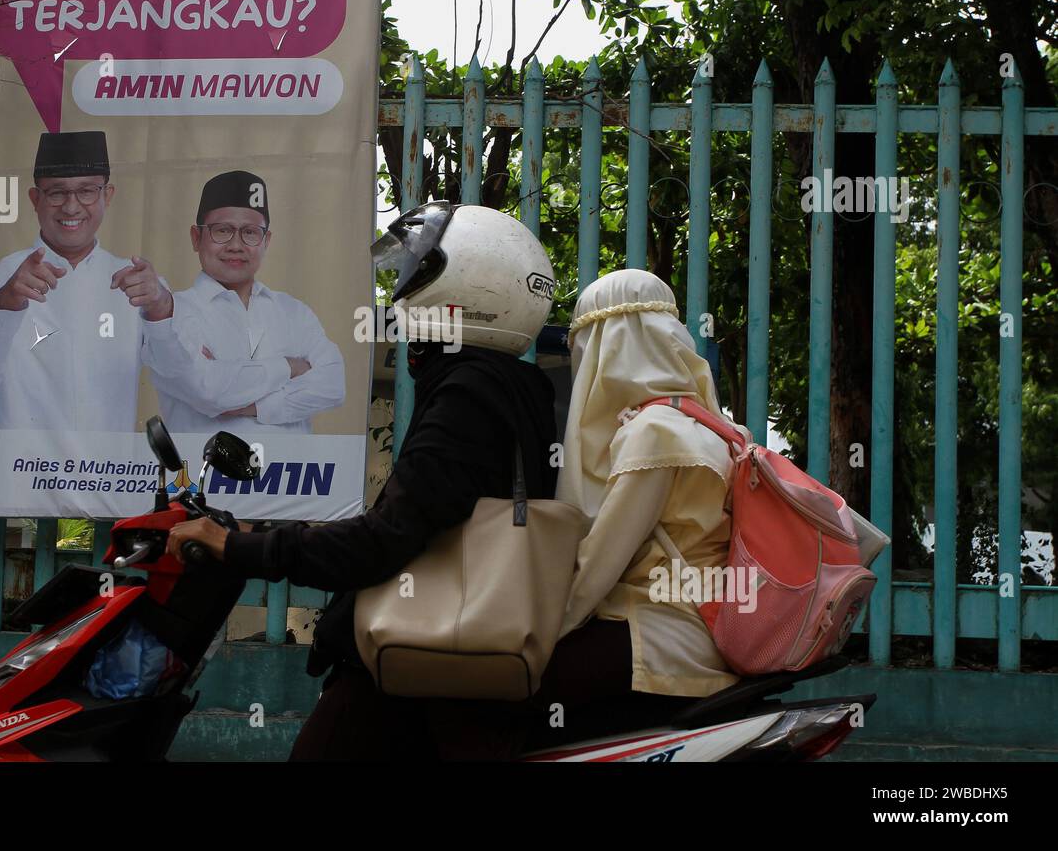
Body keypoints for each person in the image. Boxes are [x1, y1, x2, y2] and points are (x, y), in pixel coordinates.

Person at [165, 202, 562, 759]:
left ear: (464, 284)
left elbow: (384, 542)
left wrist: (233, 545)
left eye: (416, 272)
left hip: (419, 659)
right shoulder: (519, 389)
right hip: (463, 655)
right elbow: (424, 517)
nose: (400, 288)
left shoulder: (469, 395)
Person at [555, 268, 740, 705]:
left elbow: (598, 566)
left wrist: (541, 629)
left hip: (659, 637)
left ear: (610, 345)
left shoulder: (653, 432)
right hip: (703, 628)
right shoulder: (710, 424)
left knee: (509, 688)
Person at [0, 131, 170, 430]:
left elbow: (185, 382)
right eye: (57, 193)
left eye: (87, 191)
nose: (72, 207)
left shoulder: (141, 286)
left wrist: (163, 309)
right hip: (13, 473)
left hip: (102, 474)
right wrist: (6, 304)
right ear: (35, 199)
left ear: (108, 195)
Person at [140, 170, 345, 435]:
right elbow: (208, 391)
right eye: (222, 230)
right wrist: (289, 367)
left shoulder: (294, 312)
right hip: (204, 475)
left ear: (266, 241)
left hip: (289, 475)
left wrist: (250, 404)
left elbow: (333, 385)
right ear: (196, 237)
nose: (236, 245)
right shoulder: (170, 314)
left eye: (250, 232)